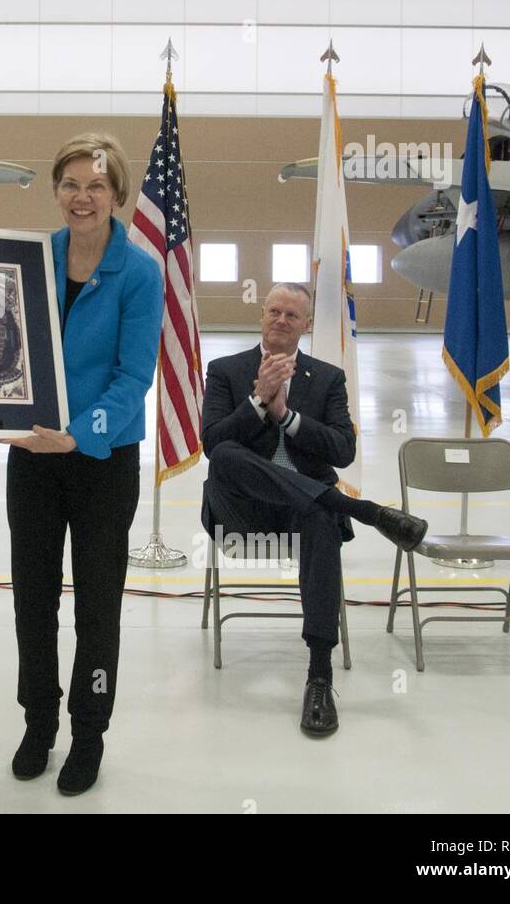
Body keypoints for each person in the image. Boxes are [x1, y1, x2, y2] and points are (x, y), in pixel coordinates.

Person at [1, 134, 163, 796]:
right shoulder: (32, 259)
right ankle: (39, 722)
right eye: (70, 184)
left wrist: (78, 434)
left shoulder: (141, 271)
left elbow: (133, 377)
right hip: (31, 456)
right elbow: (2, 348)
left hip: (102, 459)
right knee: (32, 601)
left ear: (116, 193)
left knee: (98, 607)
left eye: (95, 185)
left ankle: (88, 732)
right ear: (57, 192)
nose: (82, 196)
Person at [200, 283, 428, 737]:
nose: (281, 321)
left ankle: (319, 676)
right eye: (274, 312)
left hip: (302, 514)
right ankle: (363, 511)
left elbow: (343, 450)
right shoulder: (226, 370)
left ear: (305, 325)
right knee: (226, 455)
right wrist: (258, 402)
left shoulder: (326, 378)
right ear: (261, 316)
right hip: (244, 511)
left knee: (320, 518)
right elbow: (212, 443)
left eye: (292, 315)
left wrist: (287, 418)